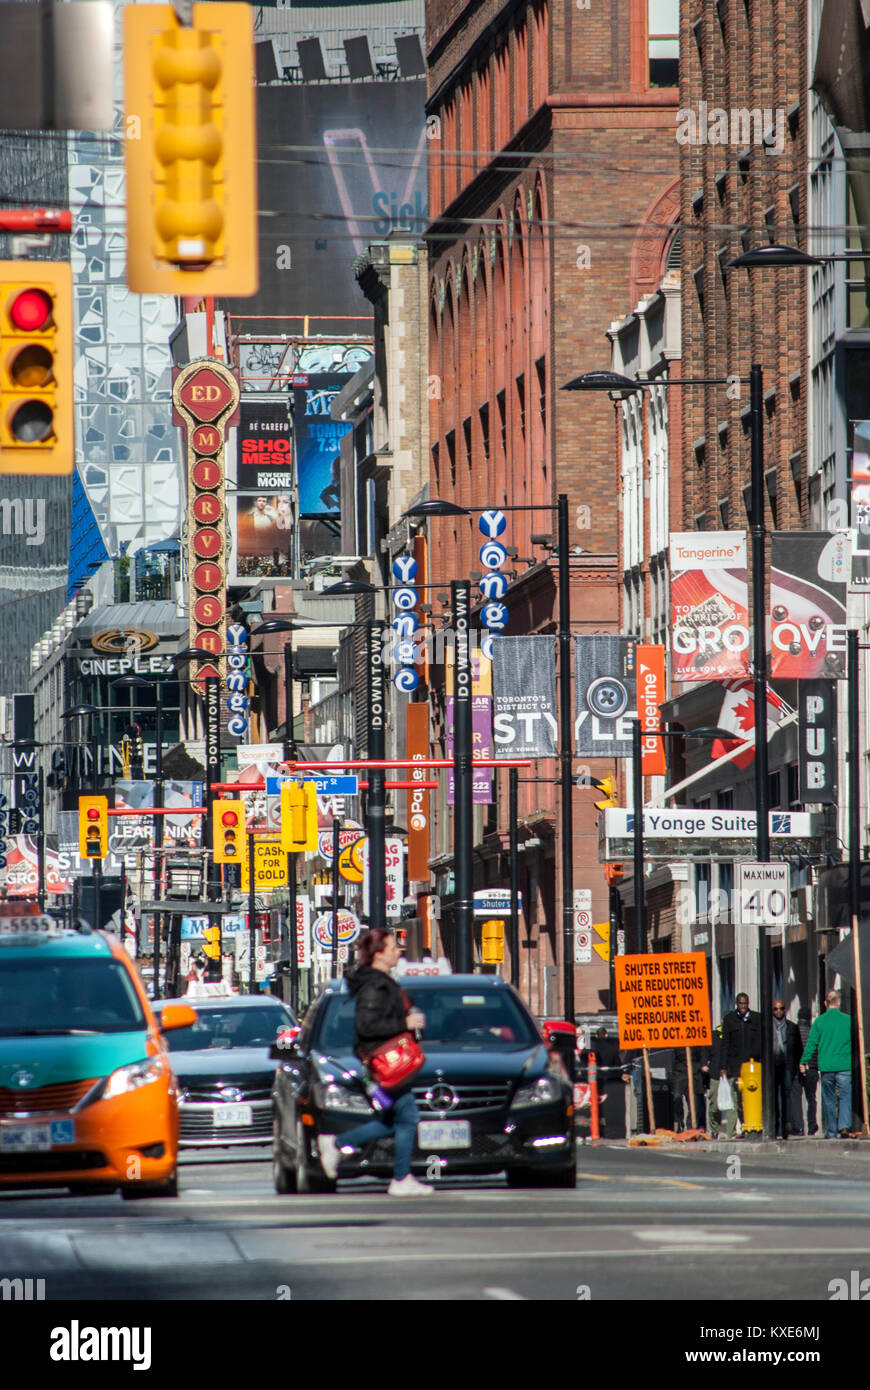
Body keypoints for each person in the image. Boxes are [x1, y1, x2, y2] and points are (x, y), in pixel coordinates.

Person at [317, 927, 433, 1196]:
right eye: (393, 947)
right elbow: (366, 1026)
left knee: (393, 1119)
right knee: (408, 1116)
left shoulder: (379, 981)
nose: (398, 952)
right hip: (385, 1063)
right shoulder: (375, 985)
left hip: (382, 1062)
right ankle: (401, 1177)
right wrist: (403, 1022)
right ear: (379, 954)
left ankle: (337, 1144)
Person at [800, 989, 853, 1138]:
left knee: (829, 1099)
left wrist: (804, 1060)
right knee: (845, 1097)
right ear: (839, 1002)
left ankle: (831, 1130)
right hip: (844, 1064)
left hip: (827, 1065)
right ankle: (844, 1125)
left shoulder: (819, 1022)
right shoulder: (848, 1020)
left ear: (825, 1003)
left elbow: (811, 1044)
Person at [719, 993, 762, 1139]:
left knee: (755, 1094)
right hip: (736, 1065)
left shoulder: (756, 1018)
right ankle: (744, 1124)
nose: (743, 1007)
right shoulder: (729, 1019)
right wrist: (723, 1066)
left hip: (754, 1065)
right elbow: (725, 1044)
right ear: (736, 1003)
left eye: (745, 1004)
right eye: (740, 1004)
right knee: (739, 1097)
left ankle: (757, 1123)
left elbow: (761, 1040)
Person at [772, 999, 802, 1139]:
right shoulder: (767, 1027)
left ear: (785, 1010)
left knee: (787, 1095)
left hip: (787, 1065)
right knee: (773, 1097)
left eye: (781, 1008)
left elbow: (798, 1048)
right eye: (776, 1009)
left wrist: (799, 1064)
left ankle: (786, 1124)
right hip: (772, 1066)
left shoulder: (792, 1027)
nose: (778, 1011)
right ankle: (775, 1125)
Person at [791, 1006, 819, 1135]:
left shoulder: (793, 1030)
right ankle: (812, 1125)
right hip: (811, 1068)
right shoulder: (813, 1031)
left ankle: (798, 1126)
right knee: (811, 1098)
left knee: (796, 1098)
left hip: (796, 1069)